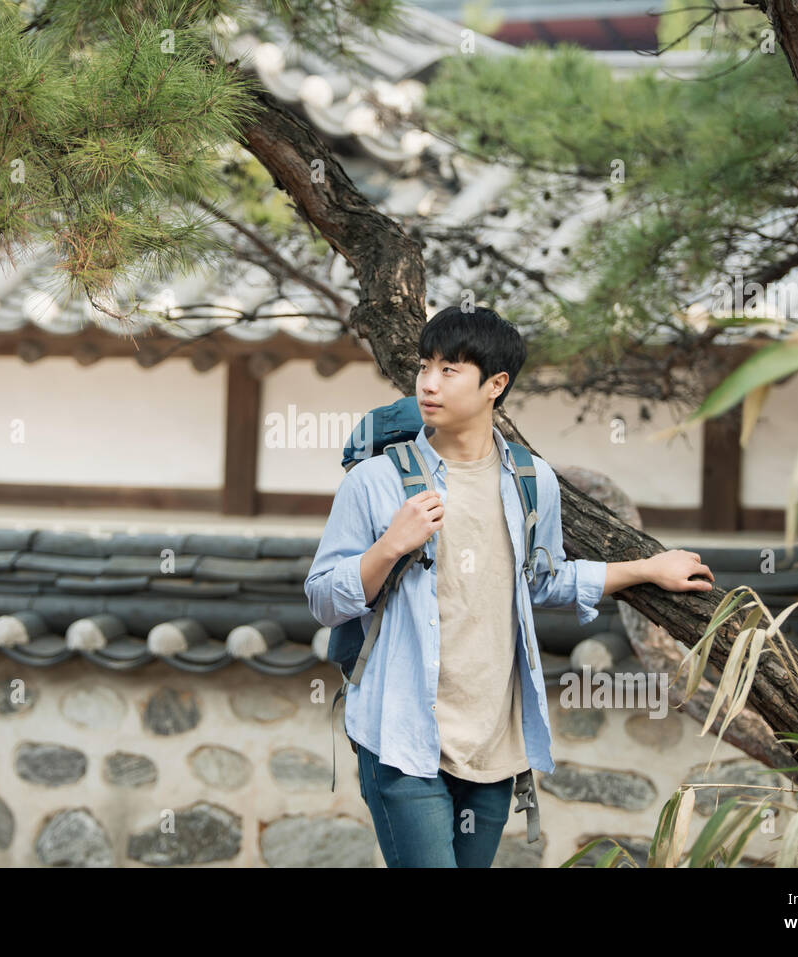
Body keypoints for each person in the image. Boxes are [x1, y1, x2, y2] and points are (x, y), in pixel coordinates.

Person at [304, 305, 715, 867]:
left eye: (450, 370)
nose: (428, 383)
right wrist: (390, 545)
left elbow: (544, 581)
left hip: (495, 744)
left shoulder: (530, 479)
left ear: (496, 384)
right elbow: (323, 599)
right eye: (425, 366)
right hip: (401, 739)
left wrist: (646, 570)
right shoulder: (375, 482)